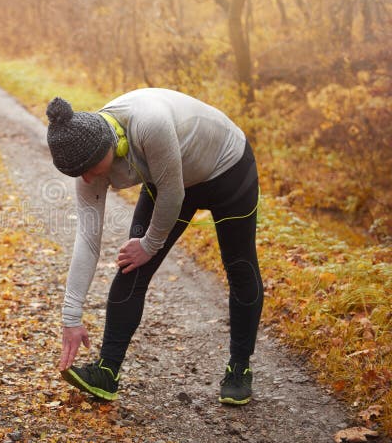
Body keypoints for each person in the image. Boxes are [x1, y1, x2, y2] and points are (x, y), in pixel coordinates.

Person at [46, 88, 263, 405]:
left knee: (239, 265)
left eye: (89, 169)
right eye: (79, 174)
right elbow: (88, 239)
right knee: (131, 263)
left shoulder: (150, 123)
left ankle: (239, 367)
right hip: (169, 177)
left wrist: (149, 244)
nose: (87, 179)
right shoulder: (89, 164)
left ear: (111, 145)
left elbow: (174, 196)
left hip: (228, 169)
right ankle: (107, 371)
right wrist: (71, 316)